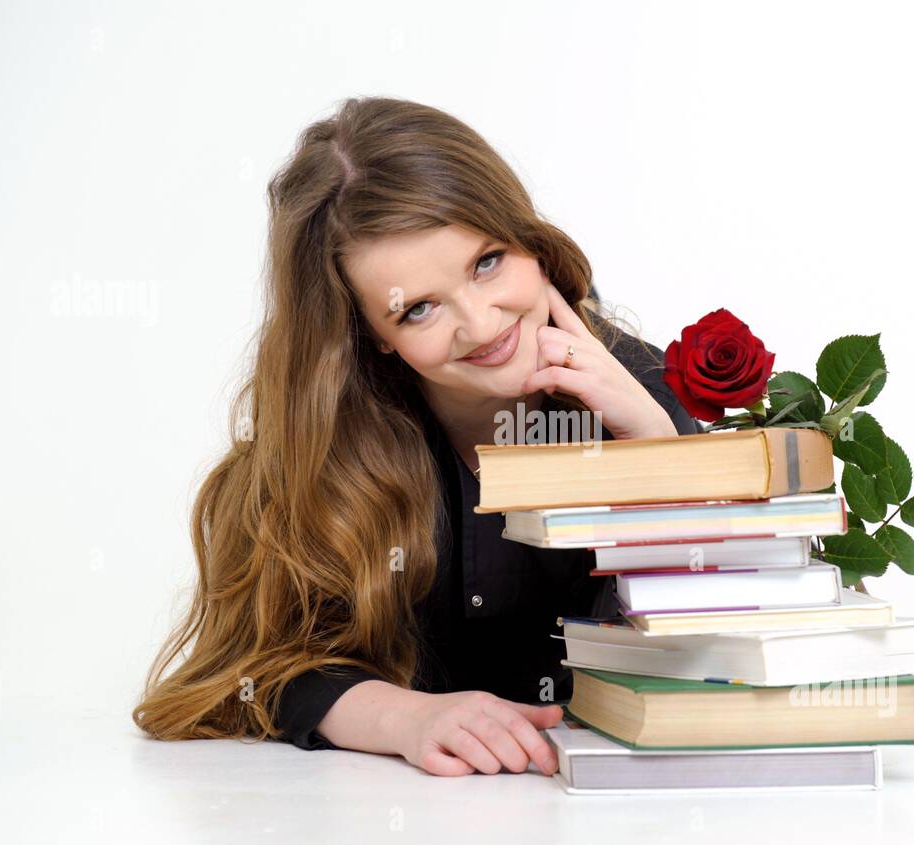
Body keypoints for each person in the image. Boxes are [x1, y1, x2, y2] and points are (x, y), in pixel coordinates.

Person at [132, 96, 701, 777]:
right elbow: (250, 673)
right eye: (419, 308)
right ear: (372, 332)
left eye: (488, 261)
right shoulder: (330, 442)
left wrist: (652, 445)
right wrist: (403, 717)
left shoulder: (641, 387)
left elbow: (723, 639)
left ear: (527, 237)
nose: (482, 323)